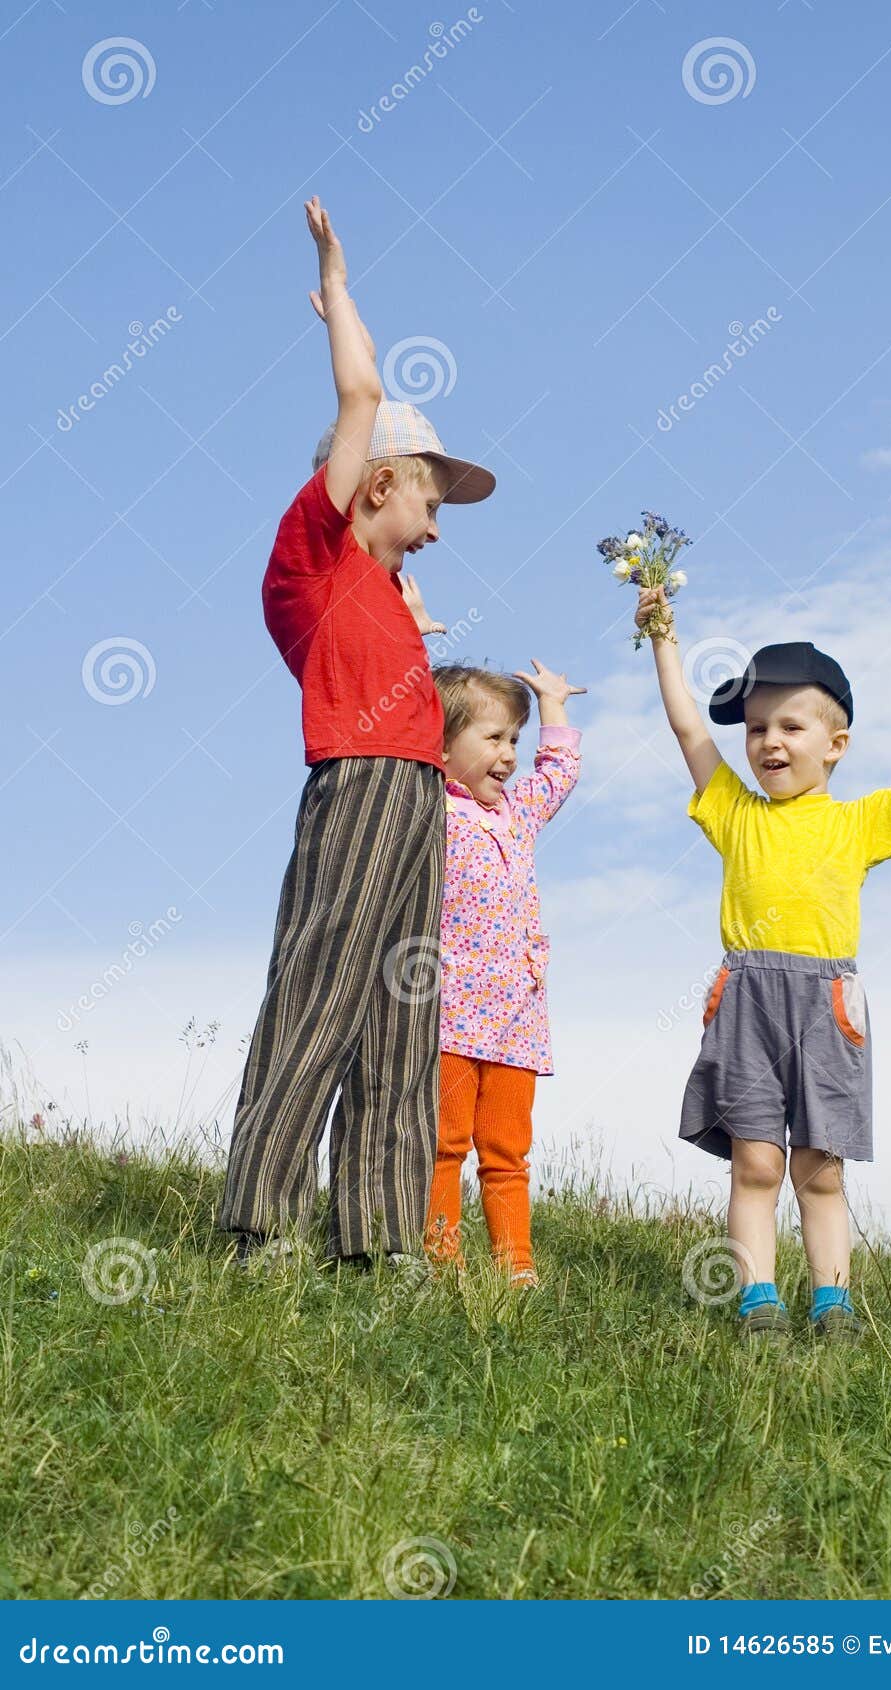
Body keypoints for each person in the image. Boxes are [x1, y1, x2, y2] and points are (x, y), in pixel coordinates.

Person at [218, 196, 494, 1270]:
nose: (435, 525)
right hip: (362, 787)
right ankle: (261, 1223)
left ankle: (375, 1242)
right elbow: (363, 393)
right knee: (323, 987)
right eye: (427, 500)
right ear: (372, 483)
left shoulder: (383, 590)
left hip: (418, 792)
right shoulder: (311, 561)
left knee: (397, 1010)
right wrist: (337, 288)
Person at [635, 583, 891, 1343]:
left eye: (789, 725)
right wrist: (662, 635)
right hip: (748, 997)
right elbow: (686, 726)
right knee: (755, 1164)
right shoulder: (732, 811)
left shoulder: (862, 821)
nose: (768, 741)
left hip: (826, 1002)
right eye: (757, 728)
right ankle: (758, 1300)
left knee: (818, 1168)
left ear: (836, 743)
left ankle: (833, 1307)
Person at [424, 660, 584, 1286]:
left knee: (508, 1148)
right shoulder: (429, 808)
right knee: (444, 1142)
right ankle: (439, 1263)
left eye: (513, 740)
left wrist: (554, 706)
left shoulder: (515, 815)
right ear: (440, 742)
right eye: (492, 738)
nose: (509, 754)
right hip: (450, 1014)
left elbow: (559, 773)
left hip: (518, 1018)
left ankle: (516, 1268)